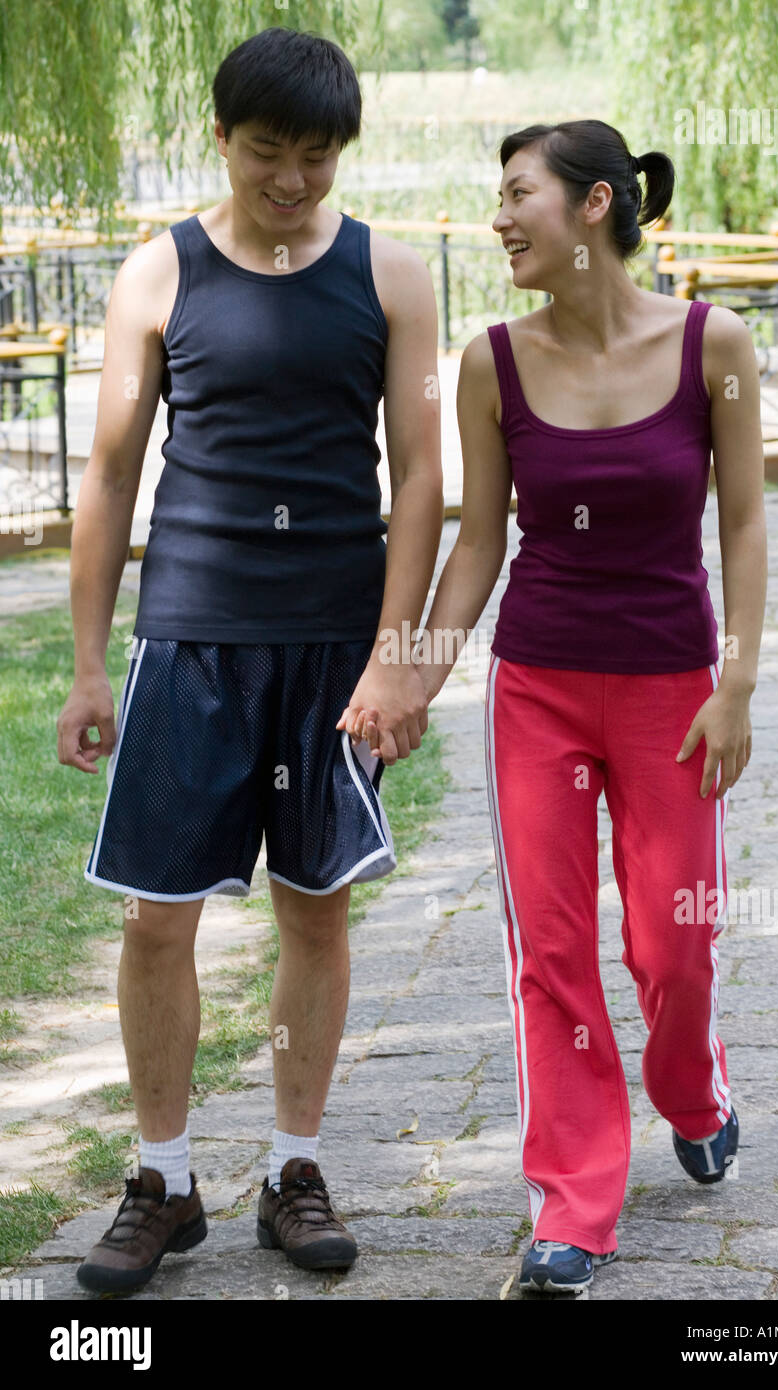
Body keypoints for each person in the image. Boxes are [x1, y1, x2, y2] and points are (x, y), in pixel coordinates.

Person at [342, 118, 767, 1295]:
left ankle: (691, 1087)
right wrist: (412, 673)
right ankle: (574, 1199)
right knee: (553, 949)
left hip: (675, 689)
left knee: (672, 948)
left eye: (516, 193)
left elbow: (740, 523)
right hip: (536, 686)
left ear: (591, 206)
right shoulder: (491, 360)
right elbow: (478, 544)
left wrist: (735, 683)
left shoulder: (709, 342)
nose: (496, 219)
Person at [56, 26, 441, 1294]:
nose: (290, 178)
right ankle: (161, 1180)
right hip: (191, 642)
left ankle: (293, 1167)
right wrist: (89, 661)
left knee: (313, 911)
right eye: (267, 151)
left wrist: (398, 657)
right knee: (157, 919)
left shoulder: (390, 271)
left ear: (343, 151)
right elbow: (110, 475)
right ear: (221, 137)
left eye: (316, 156)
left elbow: (425, 475)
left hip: (330, 649)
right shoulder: (155, 275)